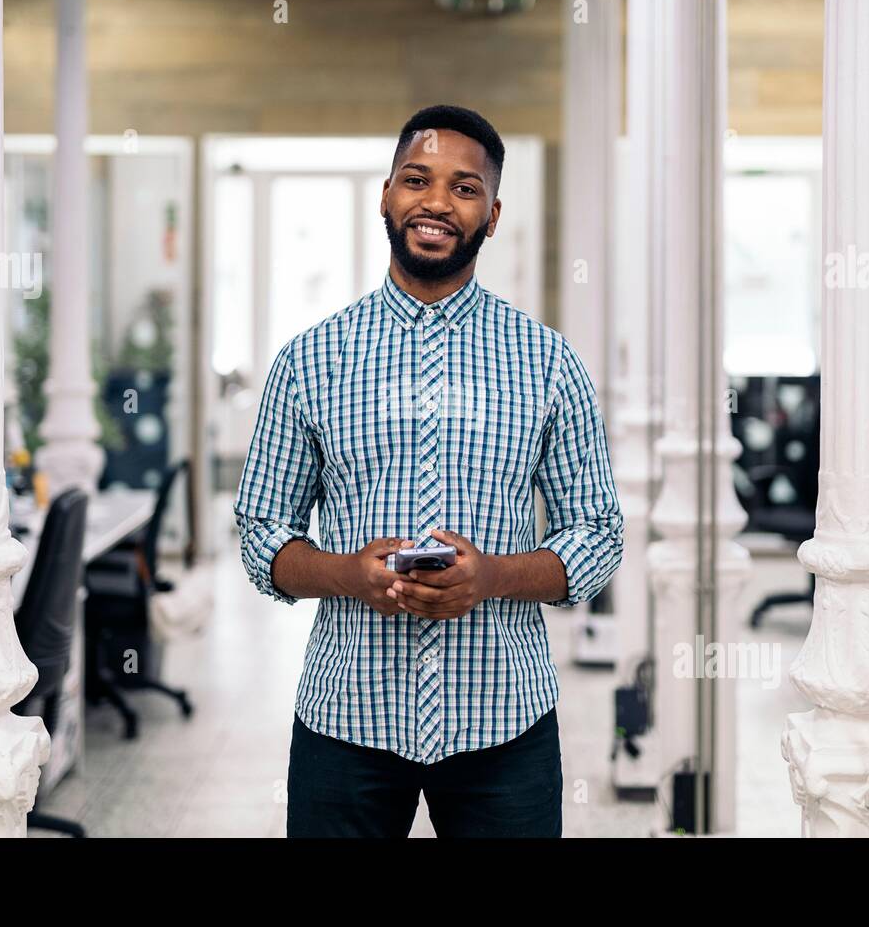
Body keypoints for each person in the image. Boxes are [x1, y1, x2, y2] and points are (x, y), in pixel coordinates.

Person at [235, 103, 623, 837]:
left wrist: (493, 578)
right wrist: (348, 574)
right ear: (386, 195)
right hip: (345, 717)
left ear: (494, 213)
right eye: (417, 179)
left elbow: (598, 535)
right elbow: (262, 535)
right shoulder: (309, 361)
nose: (438, 201)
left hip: (504, 723)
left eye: (464, 187)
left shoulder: (548, 362)